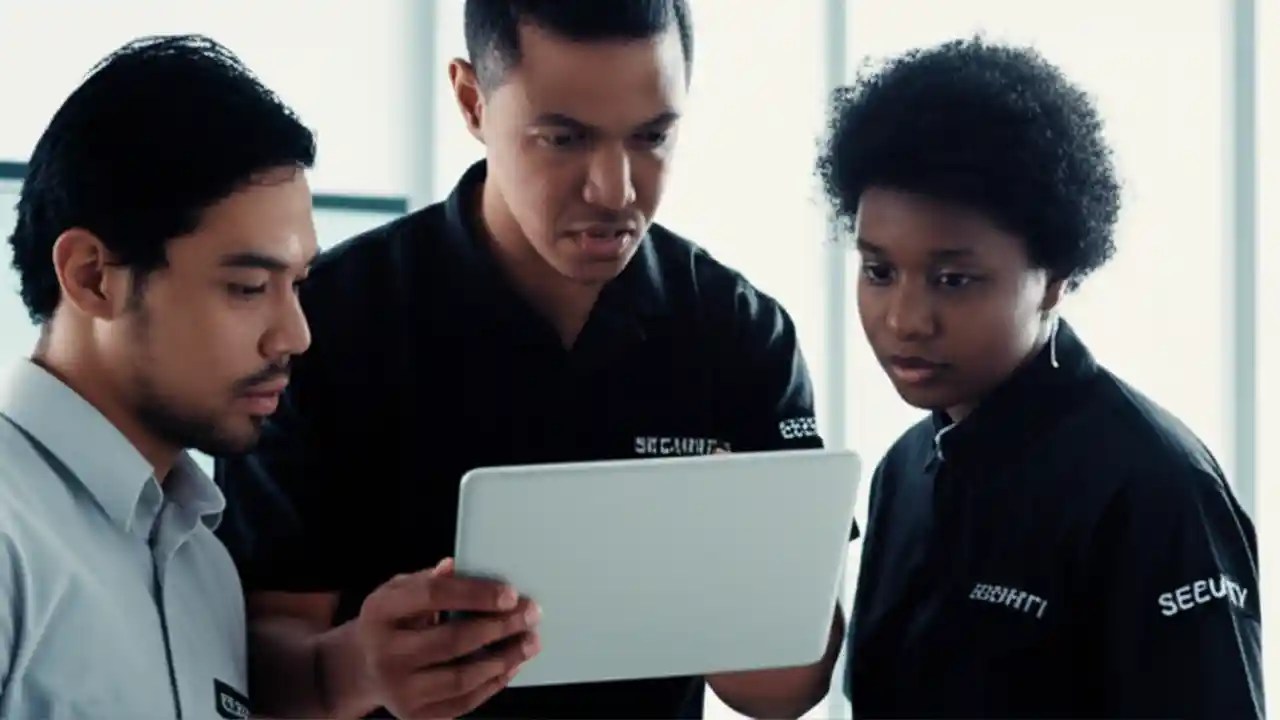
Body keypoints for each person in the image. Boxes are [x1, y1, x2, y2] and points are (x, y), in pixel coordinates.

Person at [213, 1, 850, 718]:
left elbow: (785, 691)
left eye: (652, 137)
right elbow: (248, 667)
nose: (615, 191)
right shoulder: (328, 320)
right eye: (563, 138)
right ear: (470, 101)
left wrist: (741, 560)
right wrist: (354, 666)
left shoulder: (739, 332)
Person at [817, 36, 1263, 719]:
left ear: (1054, 278)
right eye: (879, 271)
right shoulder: (902, 472)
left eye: (953, 280)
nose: (904, 319)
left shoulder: (1154, 490)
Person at [0, 35, 317, 719]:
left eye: (297, 284)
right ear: (91, 277)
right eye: (246, 286)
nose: (294, 335)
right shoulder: (9, 538)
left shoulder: (206, 570)